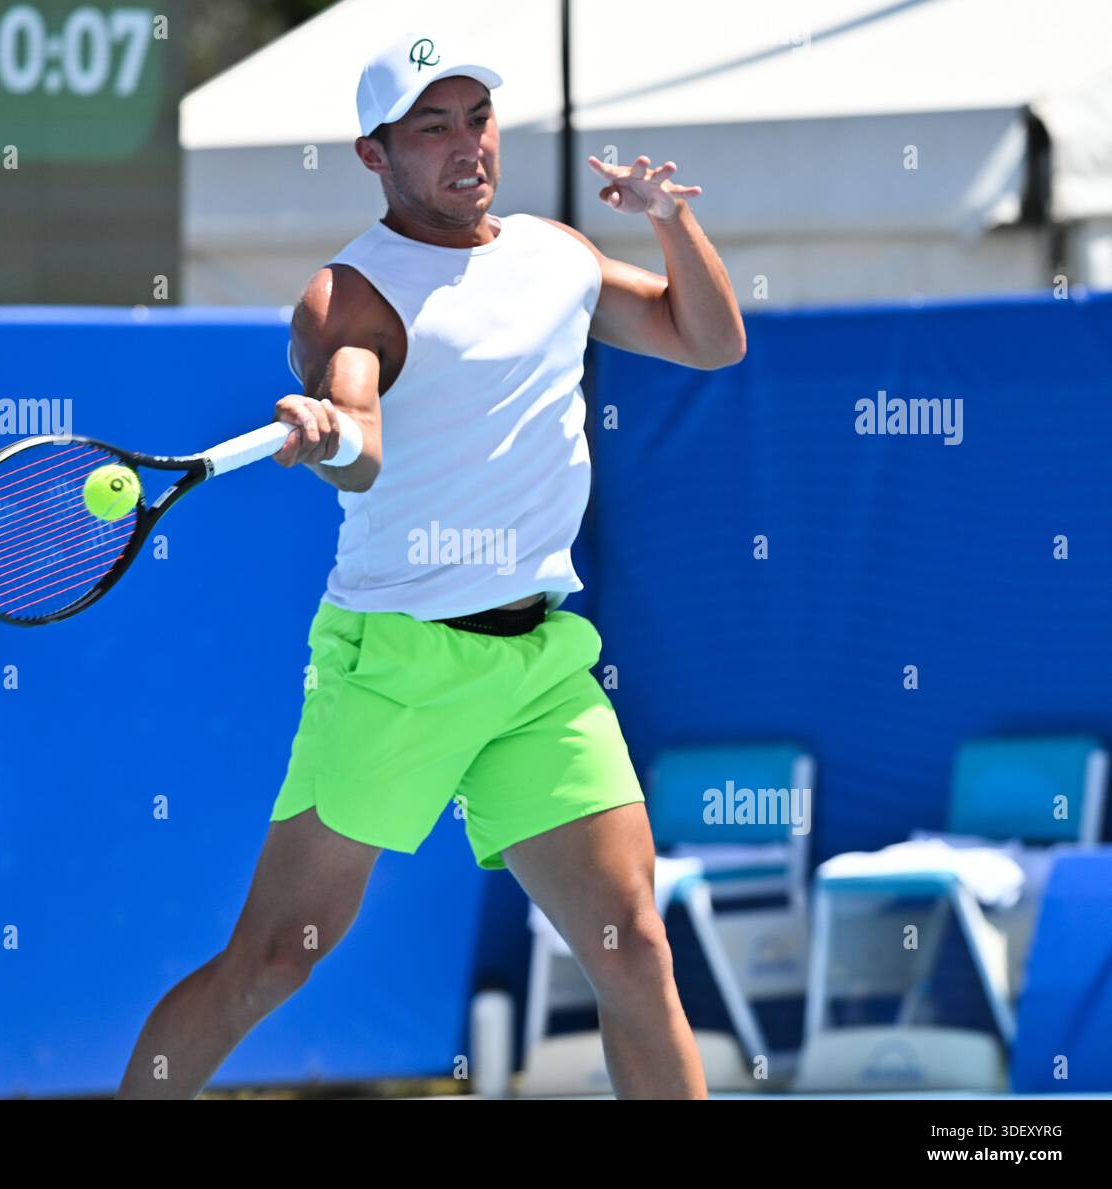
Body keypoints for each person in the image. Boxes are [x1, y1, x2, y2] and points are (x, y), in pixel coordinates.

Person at [118, 30, 744, 1101]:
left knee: (634, 946)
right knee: (274, 958)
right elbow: (358, 436)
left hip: (540, 663)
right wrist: (330, 438)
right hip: (398, 665)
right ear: (375, 155)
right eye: (431, 127)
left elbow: (708, 339)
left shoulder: (556, 255)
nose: (466, 147)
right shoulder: (347, 295)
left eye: (477, 119)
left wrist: (670, 221)